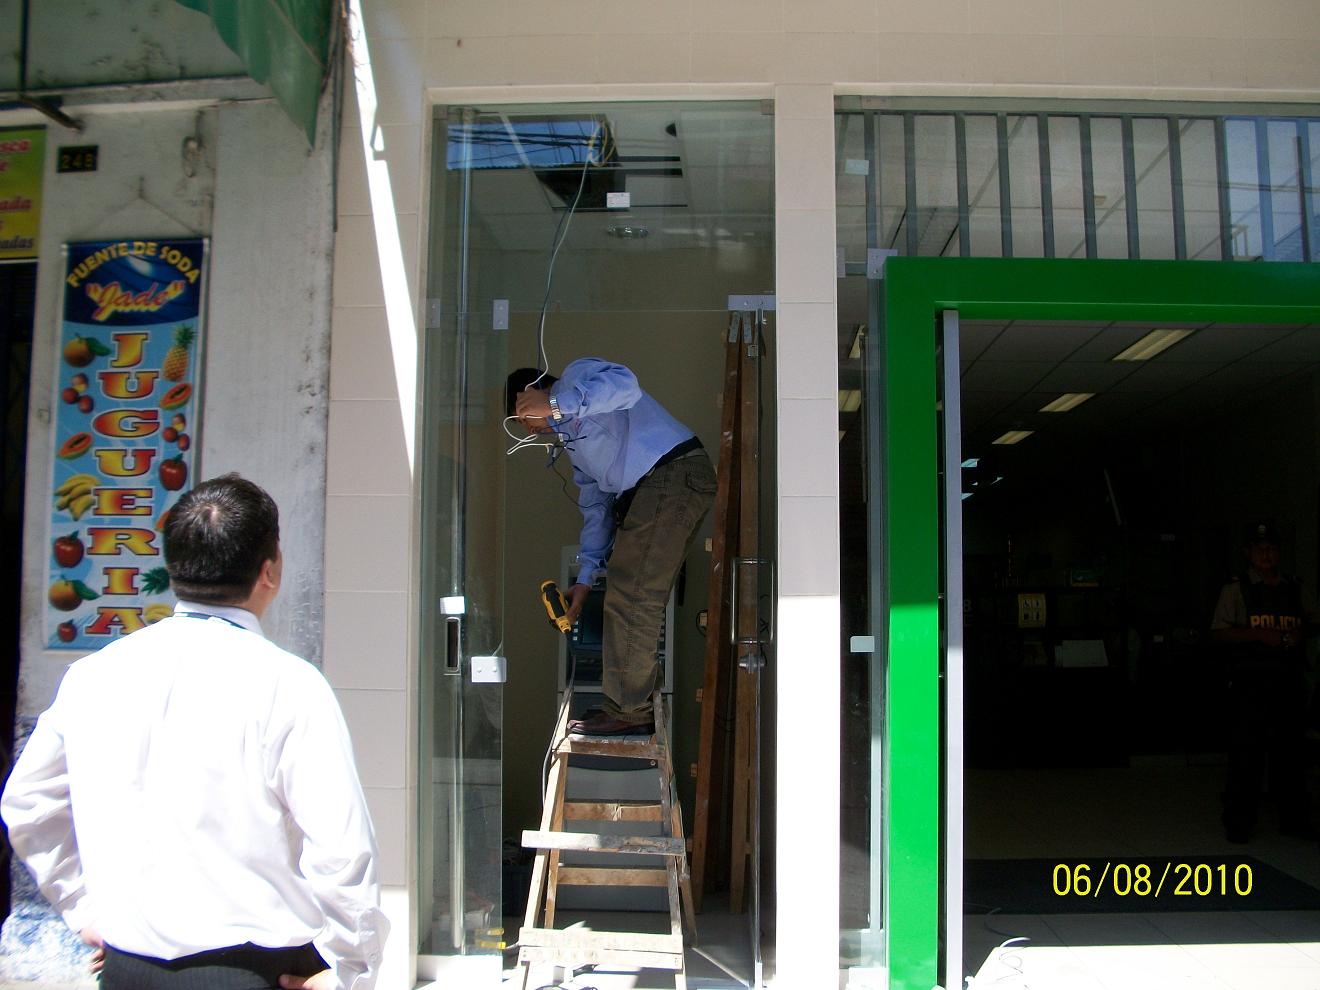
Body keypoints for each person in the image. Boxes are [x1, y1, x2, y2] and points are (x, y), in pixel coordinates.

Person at [1, 474, 388, 990]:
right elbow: (343, 852)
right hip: (255, 972)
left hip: (126, 969)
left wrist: (81, 906)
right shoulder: (288, 684)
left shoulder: (95, 675)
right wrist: (351, 972)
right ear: (269, 571)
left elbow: (28, 803)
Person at [508, 359, 716, 735]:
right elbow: (595, 507)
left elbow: (626, 386)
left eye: (522, 413)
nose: (527, 425)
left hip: (669, 473)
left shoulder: (575, 377)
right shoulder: (572, 443)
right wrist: (584, 581)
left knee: (632, 597)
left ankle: (629, 711)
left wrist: (553, 405)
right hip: (659, 485)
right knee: (634, 595)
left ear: (533, 391)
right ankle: (636, 705)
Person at [1210, 520, 1319, 843]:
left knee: (1290, 757)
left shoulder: (1296, 587)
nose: (1266, 555)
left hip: (1288, 681)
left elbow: (1313, 623)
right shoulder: (1236, 589)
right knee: (1247, 756)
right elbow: (1219, 633)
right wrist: (1257, 634)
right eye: (1260, 549)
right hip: (1251, 683)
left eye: (1271, 548)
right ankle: (1239, 822)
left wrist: (1299, 634)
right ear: (1248, 553)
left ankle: (1294, 820)